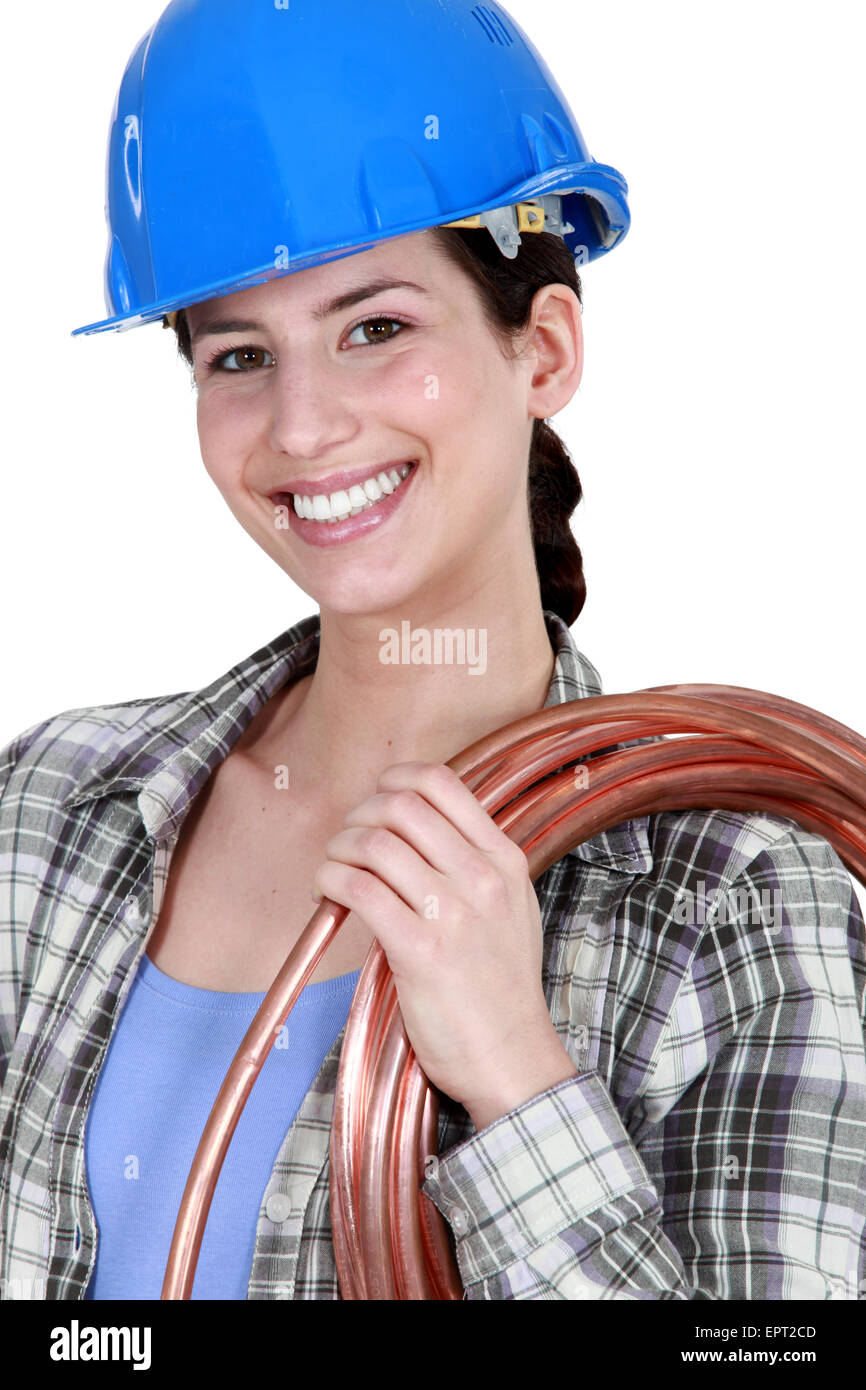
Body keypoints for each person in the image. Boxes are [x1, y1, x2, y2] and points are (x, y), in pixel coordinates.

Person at [1, 0, 864, 1303]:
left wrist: (515, 1071)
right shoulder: (50, 811)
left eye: (375, 328)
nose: (301, 427)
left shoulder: (725, 892)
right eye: (239, 354)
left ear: (545, 348)